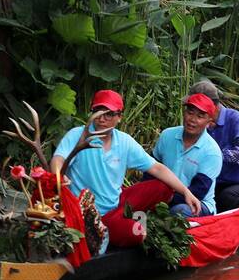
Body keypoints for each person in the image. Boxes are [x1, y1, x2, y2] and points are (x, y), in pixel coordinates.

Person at [52, 90, 201, 247]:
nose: (101, 119)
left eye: (108, 114)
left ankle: (128, 219)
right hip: (88, 213)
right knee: (137, 233)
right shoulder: (77, 135)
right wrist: (58, 176)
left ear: (119, 117)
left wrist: (186, 192)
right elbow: (58, 158)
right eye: (97, 112)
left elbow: (156, 168)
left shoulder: (124, 141)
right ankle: (119, 225)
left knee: (164, 187)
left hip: (116, 203)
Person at [190, 79, 239, 211]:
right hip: (211, 182)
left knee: (227, 198)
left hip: (238, 182)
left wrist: (214, 156)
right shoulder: (198, 124)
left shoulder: (235, 118)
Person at [152, 93, 224, 217]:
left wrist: (163, 201)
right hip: (164, 198)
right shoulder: (167, 135)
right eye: (190, 113)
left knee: (179, 211)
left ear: (209, 121)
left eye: (200, 116)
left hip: (198, 203)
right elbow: (151, 170)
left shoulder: (212, 152)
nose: (192, 119)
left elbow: (198, 191)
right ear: (184, 113)